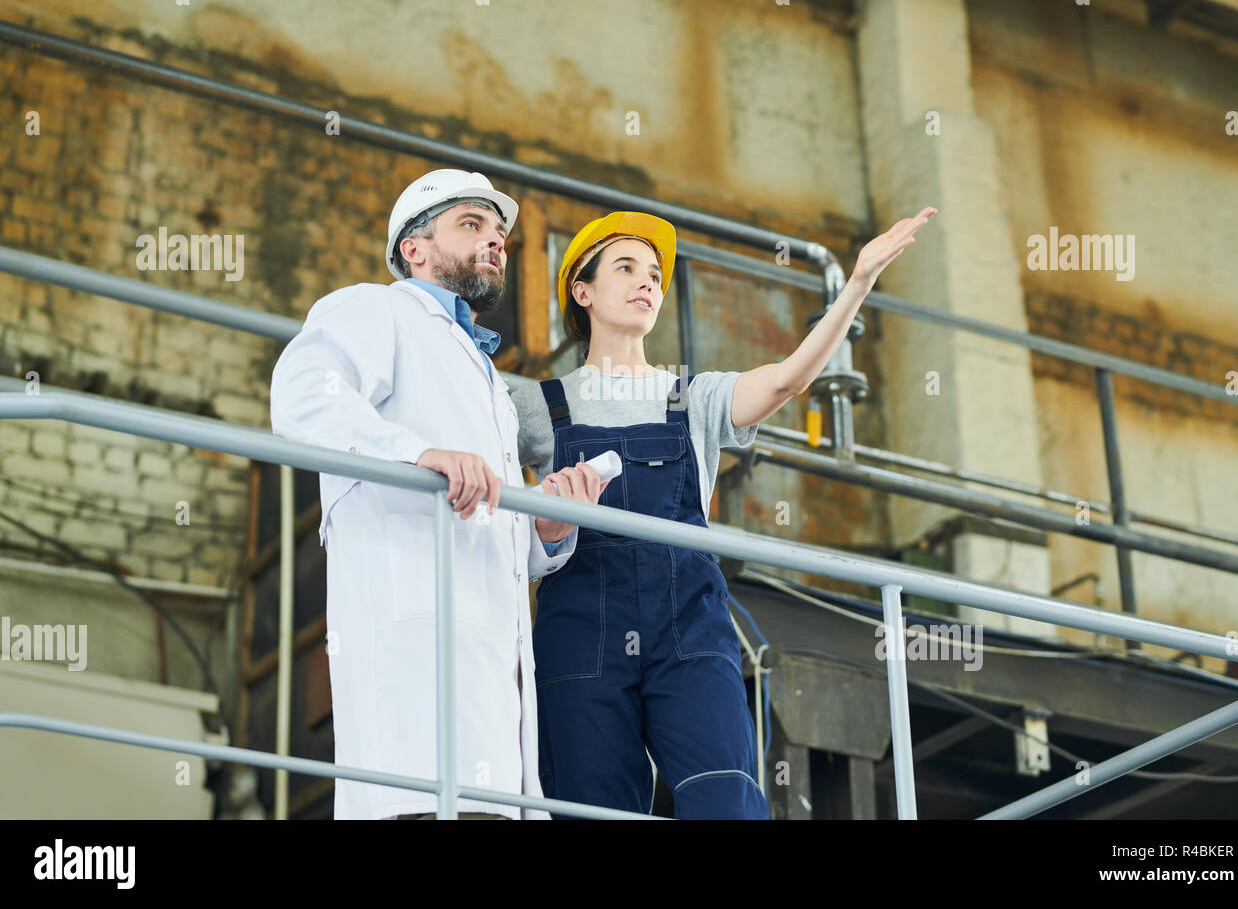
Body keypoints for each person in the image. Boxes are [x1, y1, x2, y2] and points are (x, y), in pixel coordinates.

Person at [512, 206, 936, 818]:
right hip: (581, 632)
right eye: (626, 267)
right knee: (589, 804)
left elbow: (789, 380)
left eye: (655, 274)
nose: (646, 283)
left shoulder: (696, 398)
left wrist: (859, 282)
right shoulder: (535, 408)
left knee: (724, 796)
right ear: (582, 290)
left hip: (688, 628)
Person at [270, 168, 605, 819]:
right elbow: (303, 395)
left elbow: (486, 527)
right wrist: (414, 453)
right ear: (414, 249)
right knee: (423, 797)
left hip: (492, 677)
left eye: (499, 232)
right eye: (472, 225)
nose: (495, 241)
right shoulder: (375, 309)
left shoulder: (485, 378)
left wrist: (547, 532)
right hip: (416, 663)